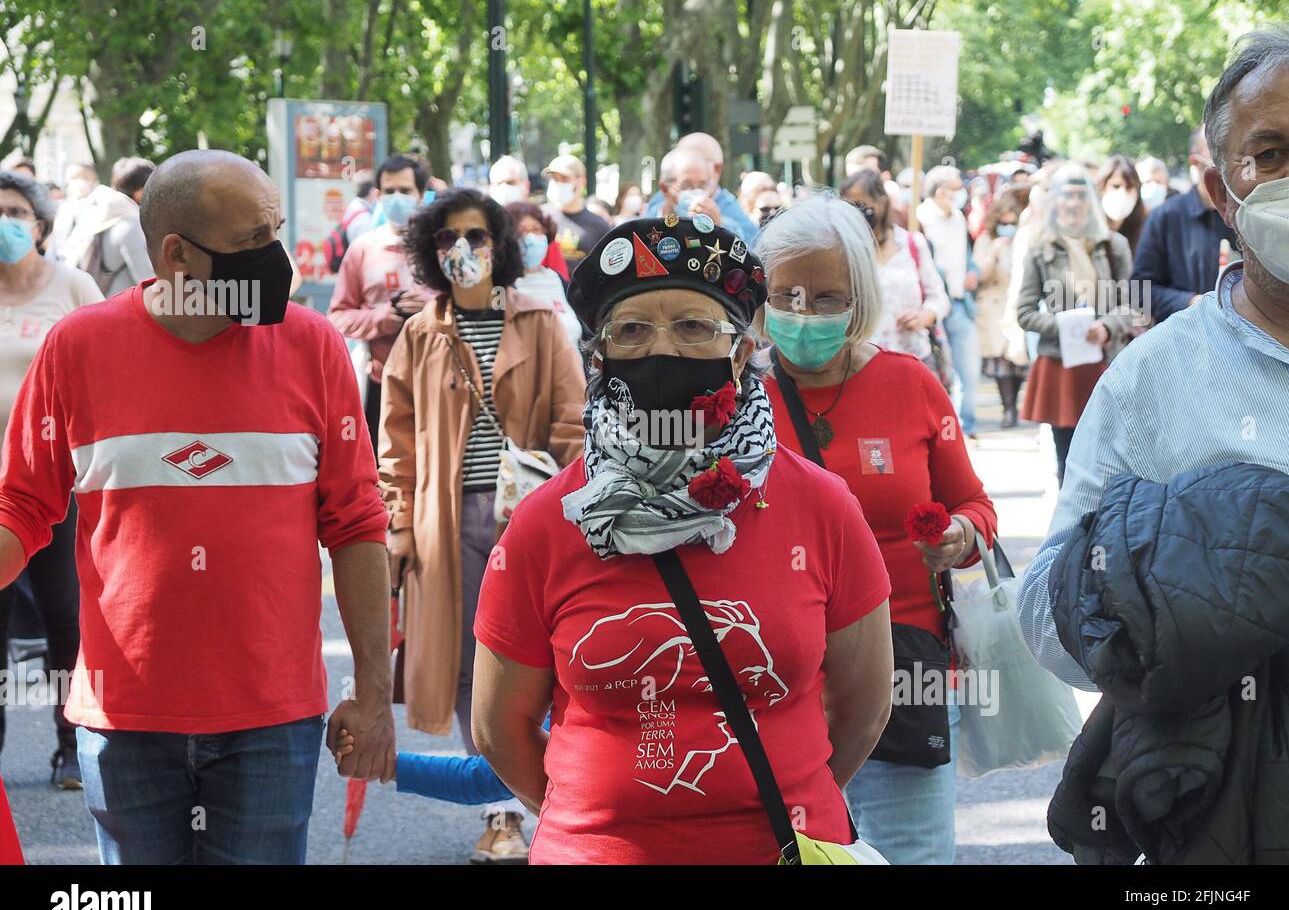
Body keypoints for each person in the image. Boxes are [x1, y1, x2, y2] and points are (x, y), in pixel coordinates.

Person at [0, 149, 396, 864]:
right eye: (252, 242)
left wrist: (373, 695)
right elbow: (22, 505)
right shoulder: (78, 348)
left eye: (275, 230)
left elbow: (358, 523)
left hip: (273, 721)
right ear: (177, 254)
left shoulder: (313, 348)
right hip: (124, 719)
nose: (276, 258)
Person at [468, 215, 894, 865]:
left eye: (694, 327)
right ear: (599, 354)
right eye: (632, 329)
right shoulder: (545, 524)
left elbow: (864, 706)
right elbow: (499, 727)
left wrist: (783, 794)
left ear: (742, 349)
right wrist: (596, 821)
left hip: (781, 847)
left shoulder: (821, 508)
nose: (660, 349)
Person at [1019, 23, 1289, 862]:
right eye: (1273, 153)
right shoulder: (1155, 379)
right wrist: (1210, 558)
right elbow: (1047, 609)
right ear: (1222, 191)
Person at [754, 192, 996, 864]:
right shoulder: (734, 401)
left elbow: (977, 507)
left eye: (826, 298)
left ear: (858, 298)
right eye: (787, 295)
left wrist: (959, 536)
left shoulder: (911, 385)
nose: (803, 315)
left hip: (904, 672)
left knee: (912, 856)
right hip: (774, 680)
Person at [378, 187, 585, 863]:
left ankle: (555, 797)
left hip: (531, 524)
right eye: (445, 239)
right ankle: (504, 812)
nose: (461, 249)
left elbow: (572, 417)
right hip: (447, 523)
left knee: (550, 663)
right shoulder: (419, 331)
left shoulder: (540, 320)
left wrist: (552, 491)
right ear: (430, 253)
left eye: (475, 235)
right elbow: (396, 445)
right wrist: (400, 531)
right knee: (472, 668)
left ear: (499, 244)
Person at [0, 172, 103, 788]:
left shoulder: (73, 286)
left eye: (15, 210)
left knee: (66, 616)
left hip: (55, 490)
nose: (5, 222)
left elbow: (109, 370)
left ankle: (71, 746)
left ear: (39, 224)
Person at [1017, 163, 1134, 486]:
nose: (1073, 203)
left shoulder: (1113, 245)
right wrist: (1067, 326)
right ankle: (1069, 532)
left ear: (1091, 201)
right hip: (1061, 366)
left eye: (1081, 196)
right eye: (1065, 196)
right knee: (1066, 461)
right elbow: (1024, 312)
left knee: (1110, 459)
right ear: (1054, 201)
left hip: (1104, 362)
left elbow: (1134, 302)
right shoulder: (1040, 249)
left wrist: (1108, 326)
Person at [328, 153, 433, 455]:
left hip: (438, 381)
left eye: (405, 190)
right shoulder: (363, 250)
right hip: (380, 382)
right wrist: (386, 317)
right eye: (389, 191)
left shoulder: (441, 248)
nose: (396, 198)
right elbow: (337, 317)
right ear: (377, 195)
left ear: (421, 194)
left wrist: (428, 308)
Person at [841, 170, 952, 380]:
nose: (857, 213)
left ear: (881, 202)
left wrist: (924, 316)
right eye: (850, 206)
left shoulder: (912, 244)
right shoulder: (844, 251)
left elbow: (938, 297)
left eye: (862, 205)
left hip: (913, 358)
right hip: (861, 365)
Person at [1131, 125, 1237, 326]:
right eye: (1217, 152)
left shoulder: (1246, 214)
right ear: (1195, 163)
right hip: (1184, 338)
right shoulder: (1166, 217)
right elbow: (1139, 291)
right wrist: (1191, 302)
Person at [917, 165, 978, 436]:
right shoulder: (919, 219)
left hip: (960, 302)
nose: (960, 193)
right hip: (933, 307)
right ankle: (943, 428)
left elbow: (966, 253)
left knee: (969, 368)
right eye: (956, 189)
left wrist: (972, 271)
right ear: (941, 192)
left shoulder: (958, 218)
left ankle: (966, 426)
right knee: (940, 372)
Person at [973, 188, 1031, 428]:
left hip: (1017, 303)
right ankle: (1008, 408)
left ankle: (1013, 406)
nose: (1008, 225)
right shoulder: (985, 241)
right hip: (994, 306)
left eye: (1012, 221)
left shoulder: (1025, 239)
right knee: (1000, 362)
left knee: (1016, 361)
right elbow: (979, 276)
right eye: (1004, 221)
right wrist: (993, 254)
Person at [58, 160, 155, 296]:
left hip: (96, 304)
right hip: (121, 310)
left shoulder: (98, 212)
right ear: (140, 191)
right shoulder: (129, 225)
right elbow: (148, 281)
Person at [646, 133, 760, 242]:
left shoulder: (727, 204)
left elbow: (753, 245)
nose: (690, 160)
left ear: (717, 168)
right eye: (686, 185)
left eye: (698, 156)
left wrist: (719, 227)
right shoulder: (662, 199)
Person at [505, 200, 583, 348]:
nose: (530, 238)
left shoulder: (557, 280)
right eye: (521, 231)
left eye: (536, 230)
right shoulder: (501, 287)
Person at [541, 154, 610, 272]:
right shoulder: (540, 217)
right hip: (547, 288)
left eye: (564, 178)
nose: (557, 183)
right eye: (554, 178)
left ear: (581, 182)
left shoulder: (599, 225)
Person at [1096, 155, 1146, 258]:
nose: (1122, 193)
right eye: (1115, 186)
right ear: (1101, 188)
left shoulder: (1145, 234)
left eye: (1129, 187)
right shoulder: (1088, 233)